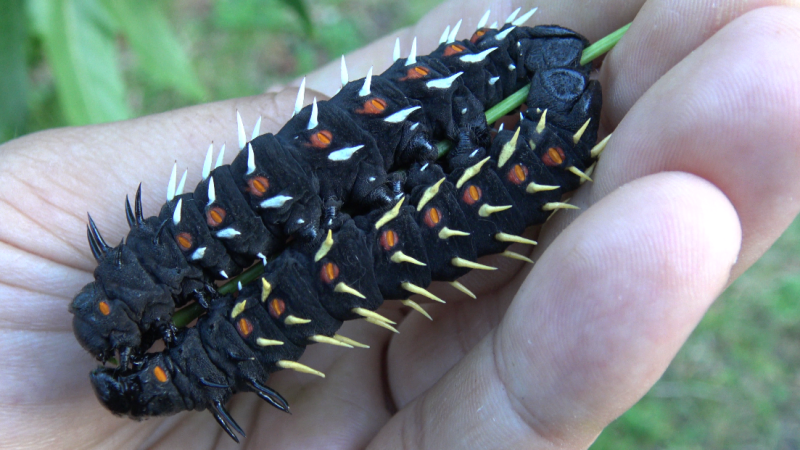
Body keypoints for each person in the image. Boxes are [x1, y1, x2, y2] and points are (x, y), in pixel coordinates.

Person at [1, 0, 798, 448]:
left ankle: (518, 131)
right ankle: (525, 143)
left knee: (319, 216)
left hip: (457, 120)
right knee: (340, 251)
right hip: (409, 192)